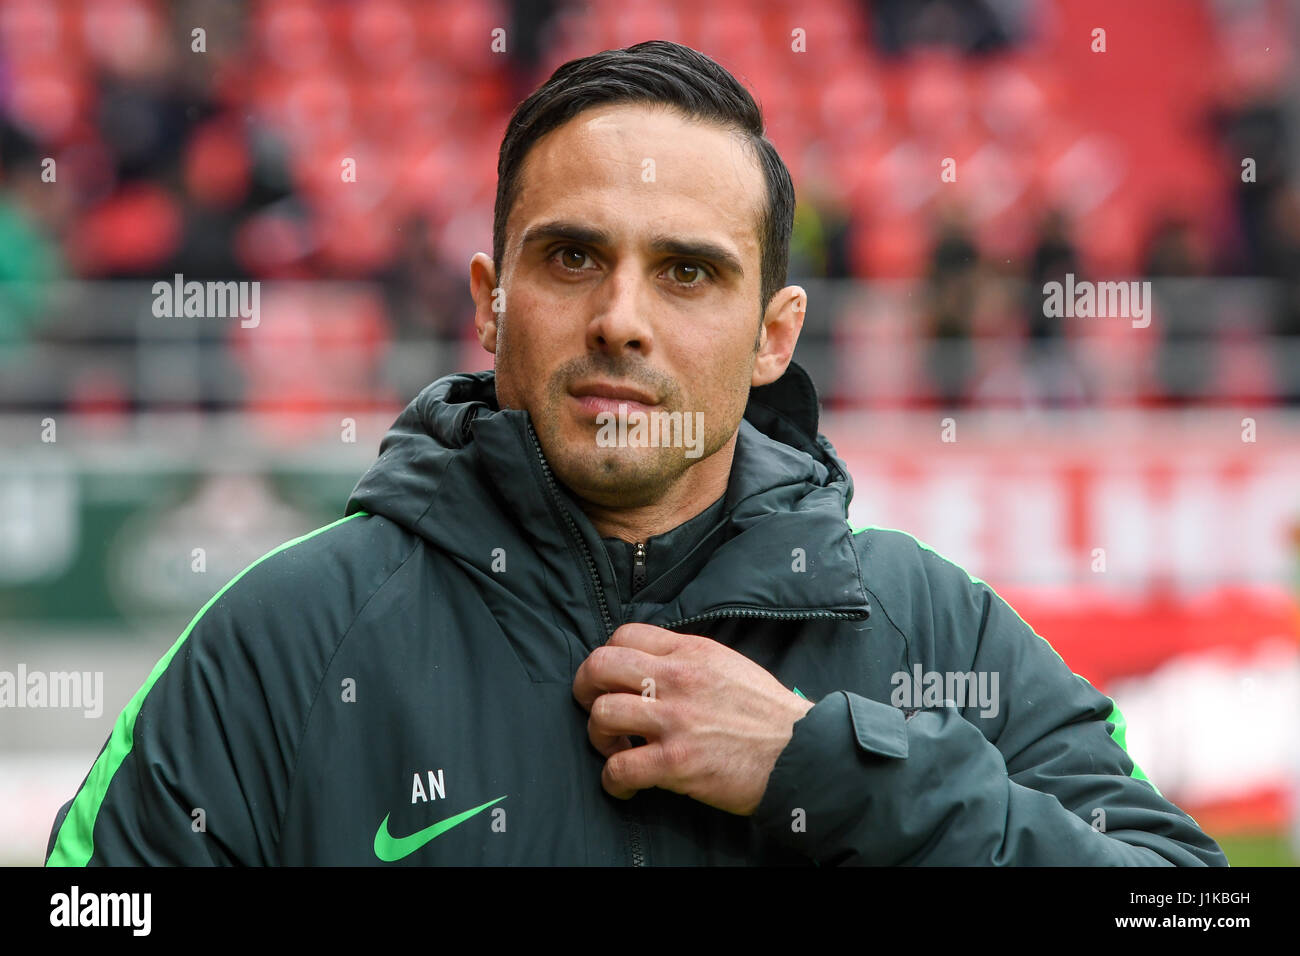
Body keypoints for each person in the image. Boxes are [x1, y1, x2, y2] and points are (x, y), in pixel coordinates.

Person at [46, 40, 1226, 866]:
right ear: (490, 303)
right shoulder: (281, 638)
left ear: (774, 335)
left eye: (687, 271)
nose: (621, 316)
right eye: (570, 259)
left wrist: (825, 767)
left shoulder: (932, 626)